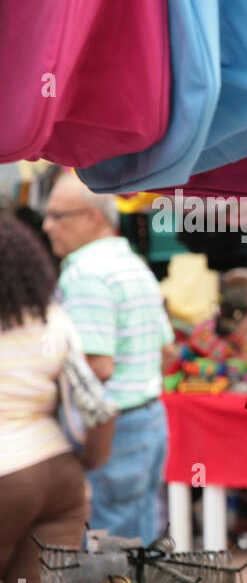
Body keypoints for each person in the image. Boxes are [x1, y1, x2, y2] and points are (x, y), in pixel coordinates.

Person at [0, 215, 114, 583]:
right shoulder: (53, 319)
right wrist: (88, 462)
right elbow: (97, 404)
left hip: (7, 477)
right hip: (58, 479)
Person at [43, 173, 172, 544]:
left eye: (57, 215)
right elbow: (166, 352)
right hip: (148, 419)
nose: (47, 226)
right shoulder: (132, 263)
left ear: (92, 218)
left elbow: (97, 366)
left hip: (114, 430)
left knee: (105, 548)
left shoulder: (87, 272)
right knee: (140, 543)